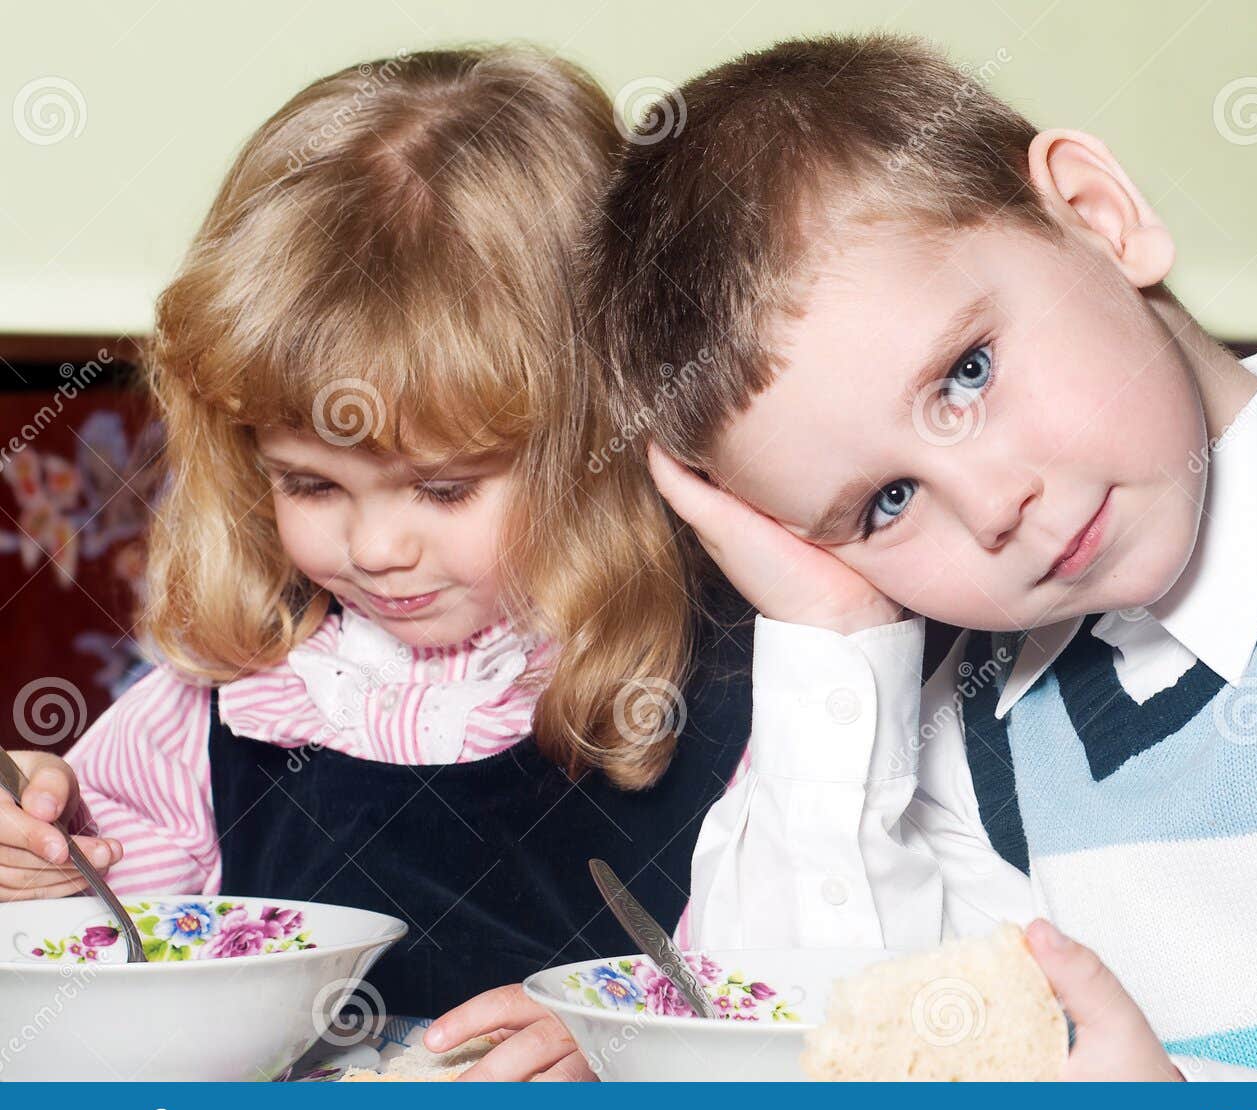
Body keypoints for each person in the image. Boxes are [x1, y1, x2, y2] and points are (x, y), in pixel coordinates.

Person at [578, 33, 1257, 1080]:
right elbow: (811, 1059)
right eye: (886, 502)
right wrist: (833, 634)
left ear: (1100, 218)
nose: (990, 505)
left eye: (966, 371)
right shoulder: (987, 705)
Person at [0, 48, 753, 1058]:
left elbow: (800, 974)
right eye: (309, 483)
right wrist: (46, 868)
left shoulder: (744, 687)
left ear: (601, 435)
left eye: (443, 488)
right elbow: (125, 963)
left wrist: (625, 1040)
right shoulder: (242, 692)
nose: (374, 546)